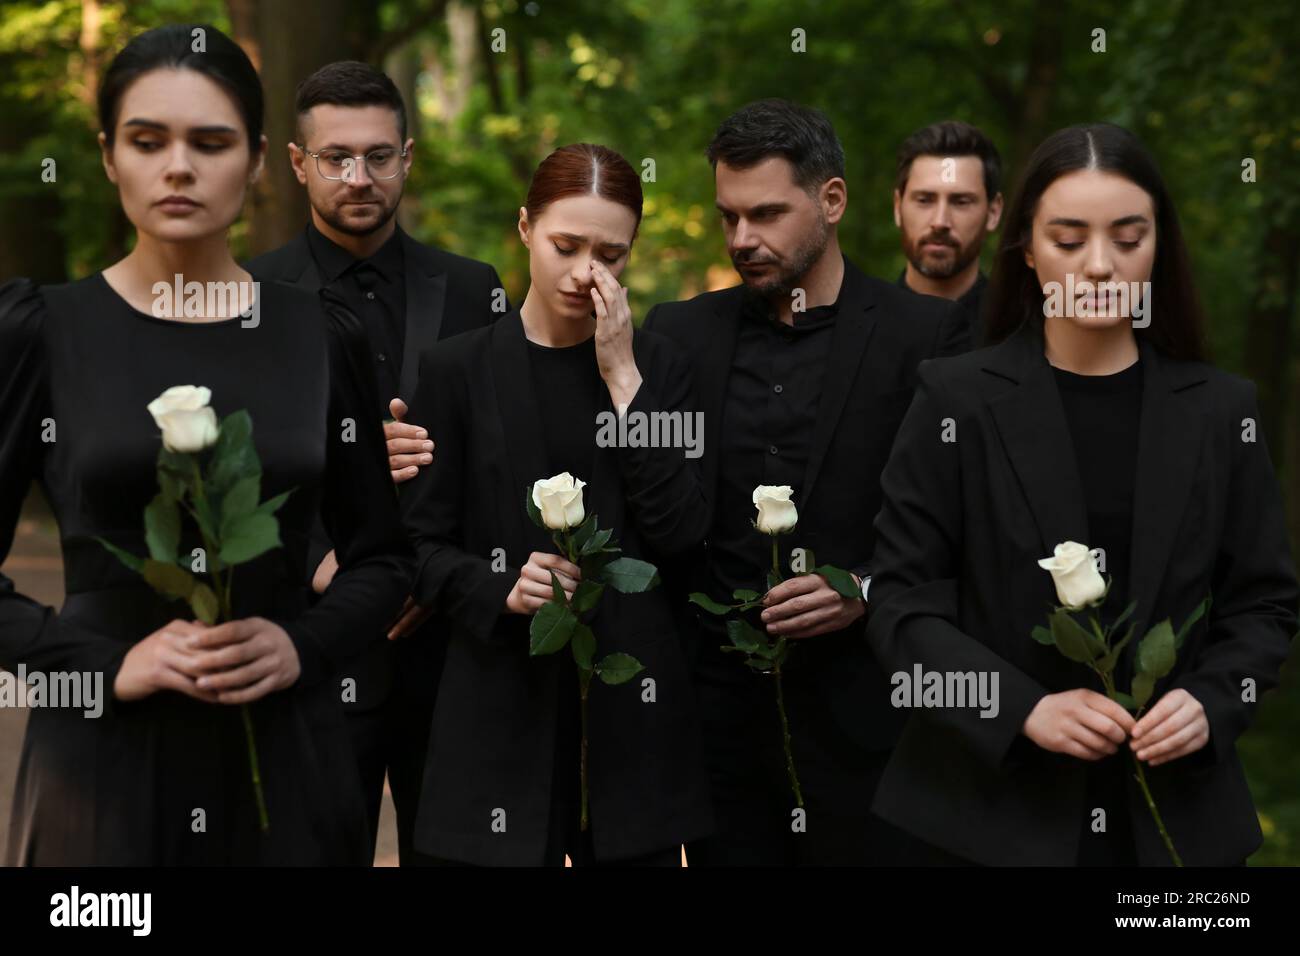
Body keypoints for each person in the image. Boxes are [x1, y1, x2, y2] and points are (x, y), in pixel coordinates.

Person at [0, 23, 413, 865]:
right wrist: (101, 665)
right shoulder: (43, 332)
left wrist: (301, 643)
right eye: (147, 141)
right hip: (99, 769)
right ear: (109, 155)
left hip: (287, 764)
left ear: (260, 160)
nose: (178, 166)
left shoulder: (317, 333)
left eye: (210, 141)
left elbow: (384, 561)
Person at [866, 122, 1299, 866]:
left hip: (1172, 825)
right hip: (980, 819)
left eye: (1128, 238)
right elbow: (902, 604)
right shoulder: (954, 400)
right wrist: (1020, 708)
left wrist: (1212, 702)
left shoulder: (1223, 411)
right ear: (1027, 249)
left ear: (1158, 246)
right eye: (1069, 240)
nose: (1101, 266)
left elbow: (1264, 603)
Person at [643, 98, 969, 865]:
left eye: (764, 214)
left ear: (832, 200)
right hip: (719, 732)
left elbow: (969, 522)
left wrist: (864, 586)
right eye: (728, 217)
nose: (741, 239)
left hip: (876, 722)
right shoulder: (676, 334)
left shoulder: (926, 334)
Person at [400, 143, 713, 866]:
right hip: (498, 718)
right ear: (524, 229)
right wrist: (500, 587)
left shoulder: (662, 366)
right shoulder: (457, 369)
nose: (585, 273)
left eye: (610, 254)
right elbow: (417, 549)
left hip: (631, 728)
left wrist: (625, 377)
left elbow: (680, 532)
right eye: (565, 245)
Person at [245, 59, 505, 866]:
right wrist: (324, 564)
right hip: (315, 640)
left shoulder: (474, 287)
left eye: (379, 156)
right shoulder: (247, 293)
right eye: (335, 157)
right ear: (298, 163)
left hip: (450, 645)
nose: (359, 177)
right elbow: (238, 465)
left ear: (408, 156)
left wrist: (441, 572)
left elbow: (504, 452)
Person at [893, 120, 1003, 347]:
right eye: (924, 200)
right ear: (897, 207)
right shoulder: (854, 333)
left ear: (993, 212)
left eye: (961, 202)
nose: (940, 222)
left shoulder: (1023, 333)